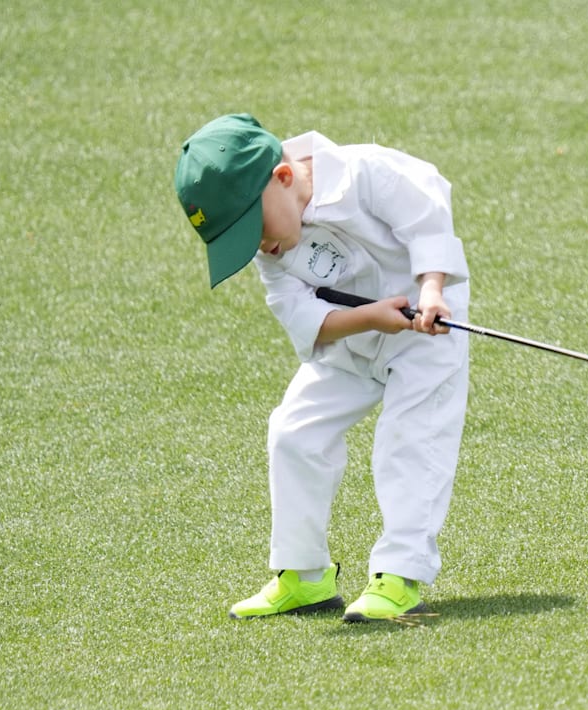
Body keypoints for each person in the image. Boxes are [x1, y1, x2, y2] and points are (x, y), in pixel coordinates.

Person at [174, 113, 471, 622]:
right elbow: (302, 316)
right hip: (349, 343)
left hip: (427, 333)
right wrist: (370, 318)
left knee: (410, 441)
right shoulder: (270, 249)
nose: (258, 247)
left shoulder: (366, 172)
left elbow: (427, 215)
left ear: (284, 178)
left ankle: (399, 575)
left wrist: (431, 289)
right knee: (293, 433)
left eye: (253, 229)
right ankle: (304, 575)